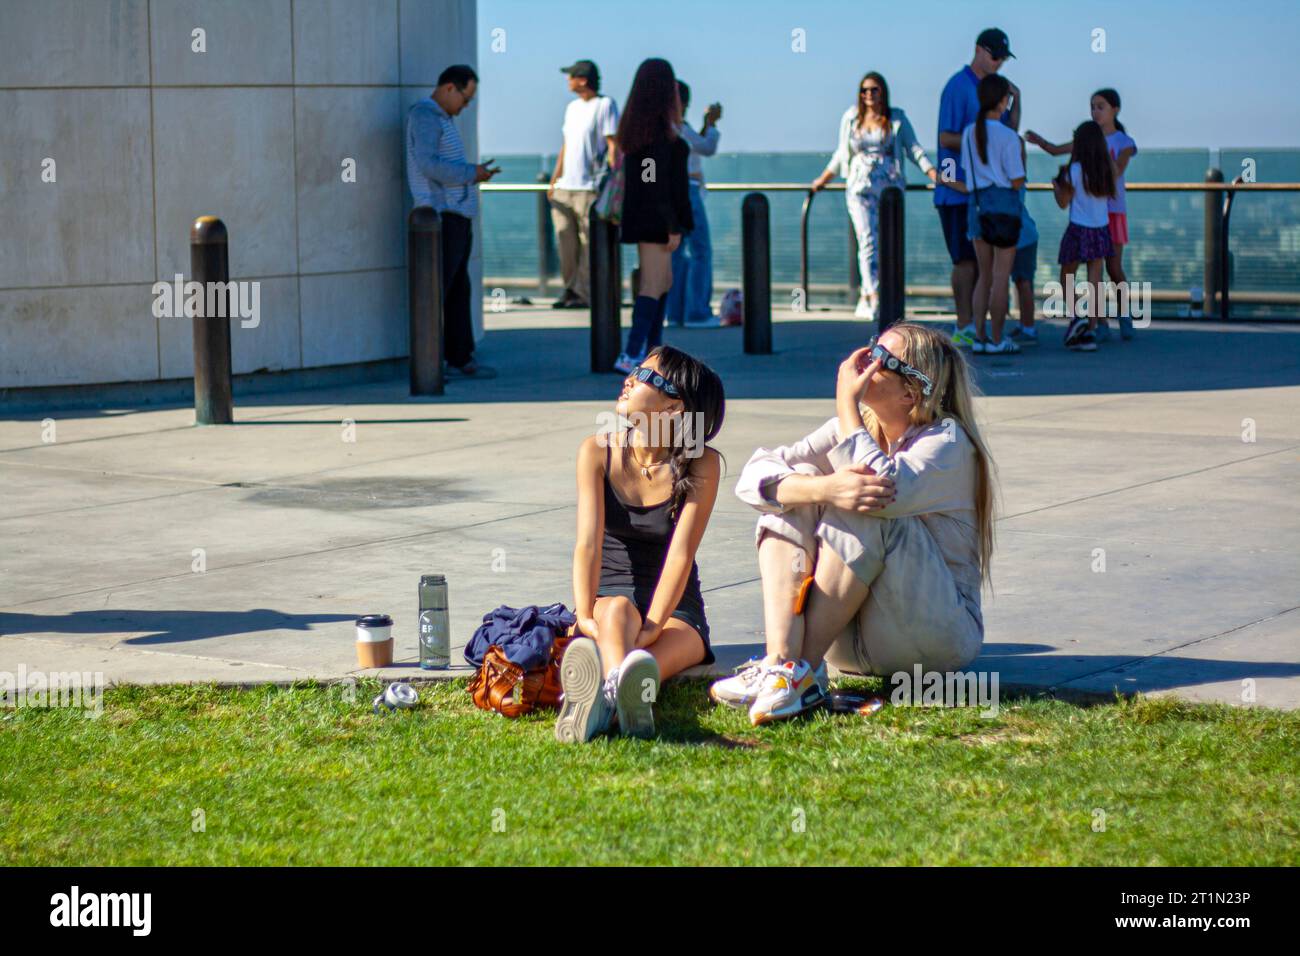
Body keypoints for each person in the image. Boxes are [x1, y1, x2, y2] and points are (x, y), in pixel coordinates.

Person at [713, 324, 996, 726]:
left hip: (935, 642)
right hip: (849, 645)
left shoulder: (949, 442)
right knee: (802, 485)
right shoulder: (857, 429)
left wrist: (846, 406)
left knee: (863, 498)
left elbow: (887, 490)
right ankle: (782, 664)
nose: (861, 361)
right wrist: (821, 487)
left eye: (880, 358)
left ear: (910, 393)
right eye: (868, 348)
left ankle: (800, 672)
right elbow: (754, 476)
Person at [557, 346, 726, 742]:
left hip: (675, 605)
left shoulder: (703, 463)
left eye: (647, 377)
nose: (630, 379)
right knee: (616, 613)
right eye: (635, 370)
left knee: (648, 662)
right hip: (610, 593)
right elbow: (588, 544)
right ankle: (624, 703)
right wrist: (584, 615)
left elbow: (681, 555)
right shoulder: (597, 451)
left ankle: (608, 698)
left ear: (673, 408)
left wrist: (652, 625)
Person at [812, 72, 939, 321]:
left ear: (883, 92)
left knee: (887, 242)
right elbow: (841, 154)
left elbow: (913, 149)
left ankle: (887, 293)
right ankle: (871, 294)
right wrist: (822, 180)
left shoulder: (896, 118)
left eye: (874, 90)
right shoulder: (851, 118)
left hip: (889, 188)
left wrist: (934, 173)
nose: (869, 95)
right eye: (864, 90)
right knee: (867, 240)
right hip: (860, 187)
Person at [406, 64, 501, 378]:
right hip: (440, 218)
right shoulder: (425, 116)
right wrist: (471, 173)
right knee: (441, 290)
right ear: (449, 88)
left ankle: (460, 356)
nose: (466, 106)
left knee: (458, 289)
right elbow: (428, 163)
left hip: (455, 217)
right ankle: (433, 362)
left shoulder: (440, 118)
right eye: (465, 97)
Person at [1027, 89, 1137, 339]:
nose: (1095, 111)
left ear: (1115, 110)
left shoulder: (1122, 143)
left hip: (1109, 215)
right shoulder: (1093, 157)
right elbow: (1056, 150)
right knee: (1097, 274)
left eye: (1101, 106)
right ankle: (1097, 323)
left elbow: (1116, 170)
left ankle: (1110, 316)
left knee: (1112, 268)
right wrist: (1041, 142)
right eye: (1092, 106)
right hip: (1100, 220)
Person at [935, 28, 1021, 349]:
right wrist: (983, 143)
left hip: (977, 191)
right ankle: (965, 325)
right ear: (979, 50)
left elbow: (1008, 129)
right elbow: (945, 138)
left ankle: (981, 331)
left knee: (982, 268)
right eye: (995, 56)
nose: (999, 63)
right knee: (965, 263)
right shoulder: (958, 87)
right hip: (959, 191)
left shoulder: (992, 92)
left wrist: (1014, 103)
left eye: (1002, 58)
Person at [612, 58, 694, 375]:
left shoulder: (641, 135)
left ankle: (652, 352)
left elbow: (650, 182)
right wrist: (671, 226)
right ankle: (633, 352)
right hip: (656, 224)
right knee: (653, 284)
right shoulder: (655, 139)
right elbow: (656, 186)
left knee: (662, 283)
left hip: (650, 220)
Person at [961, 74, 1026, 354]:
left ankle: (979, 336)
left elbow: (965, 169)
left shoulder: (967, 133)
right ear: (1002, 101)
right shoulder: (1009, 136)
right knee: (1001, 277)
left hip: (977, 206)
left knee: (983, 276)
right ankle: (998, 340)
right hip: (1004, 206)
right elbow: (1015, 179)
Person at [548, 60, 620, 310]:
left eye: (571, 76)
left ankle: (583, 292)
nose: (567, 81)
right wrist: (554, 179)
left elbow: (613, 145)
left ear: (583, 79)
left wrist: (615, 181)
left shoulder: (605, 105)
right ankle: (570, 289)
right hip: (565, 187)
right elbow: (566, 145)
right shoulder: (571, 108)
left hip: (591, 187)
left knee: (589, 244)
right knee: (565, 240)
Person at [1052, 120, 1119, 352]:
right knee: (1095, 281)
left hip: (1078, 229)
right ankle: (1090, 330)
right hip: (1100, 229)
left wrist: (1056, 187)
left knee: (1067, 276)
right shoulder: (1106, 171)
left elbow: (1063, 203)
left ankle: (1076, 316)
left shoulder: (1074, 170)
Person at [665, 80, 722, 328]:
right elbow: (705, 147)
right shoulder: (676, 126)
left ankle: (675, 311)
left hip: (670, 194)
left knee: (676, 253)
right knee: (700, 251)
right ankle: (697, 311)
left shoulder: (667, 126)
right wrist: (710, 125)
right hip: (688, 191)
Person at [1007, 138, 1041, 346]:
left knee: (1023, 282)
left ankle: (1028, 327)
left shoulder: (1013, 180)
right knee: (1021, 282)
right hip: (1023, 235)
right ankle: (1025, 325)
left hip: (1022, 237)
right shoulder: (1016, 179)